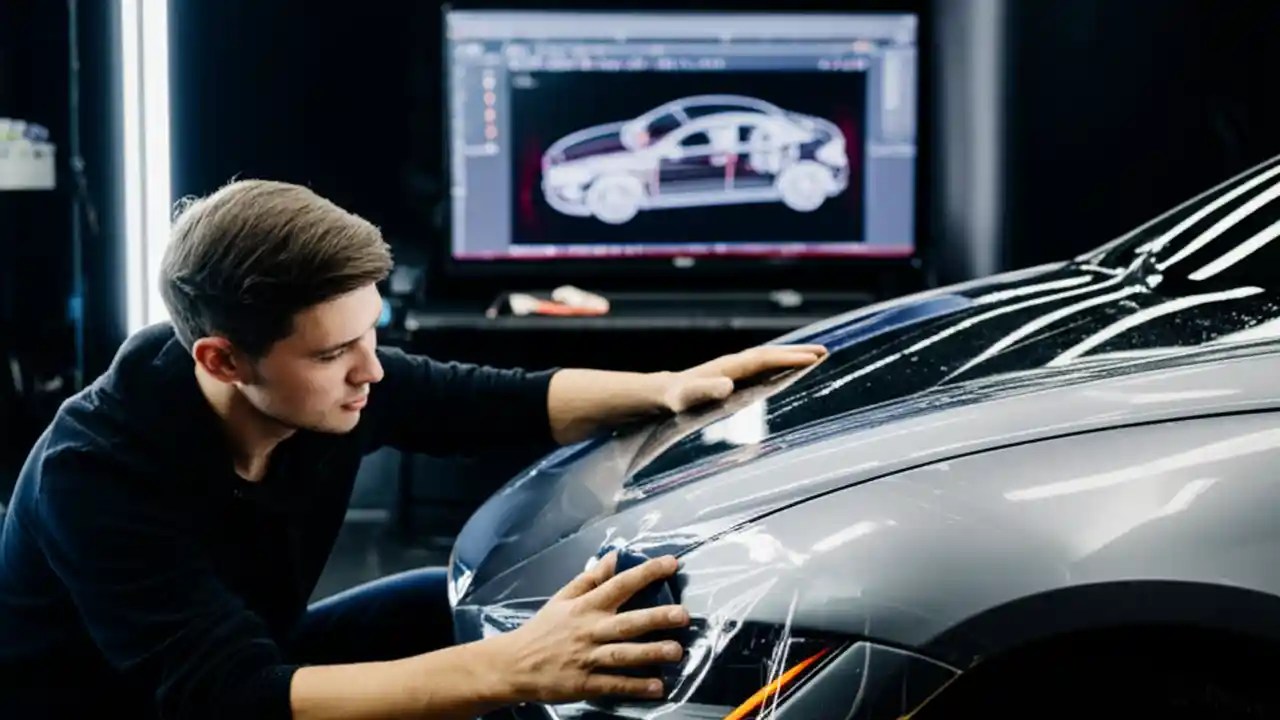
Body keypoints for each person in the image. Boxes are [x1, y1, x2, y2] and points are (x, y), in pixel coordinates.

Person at [0, 179, 828, 718]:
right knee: (498, 655)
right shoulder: (93, 477)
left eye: (373, 335)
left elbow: (493, 399)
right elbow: (236, 697)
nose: (370, 371)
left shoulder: (331, 382)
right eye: (333, 355)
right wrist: (517, 666)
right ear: (221, 360)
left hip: (247, 662)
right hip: (144, 706)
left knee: (450, 601)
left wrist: (671, 385)